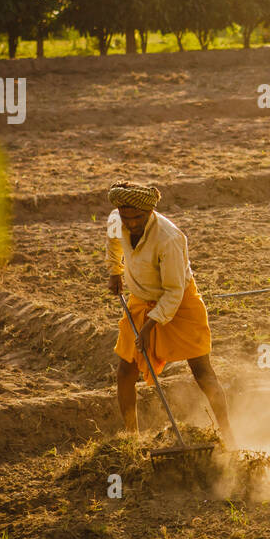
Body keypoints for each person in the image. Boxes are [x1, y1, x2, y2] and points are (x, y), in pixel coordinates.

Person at [105, 180, 232, 446]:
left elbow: (174, 292)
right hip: (141, 299)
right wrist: (115, 271)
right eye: (126, 218)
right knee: (125, 372)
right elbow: (114, 243)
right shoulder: (118, 219)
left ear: (150, 212)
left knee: (202, 371)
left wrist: (149, 327)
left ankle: (228, 436)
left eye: (137, 218)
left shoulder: (169, 238)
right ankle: (132, 440)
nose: (131, 224)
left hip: (180, 304)